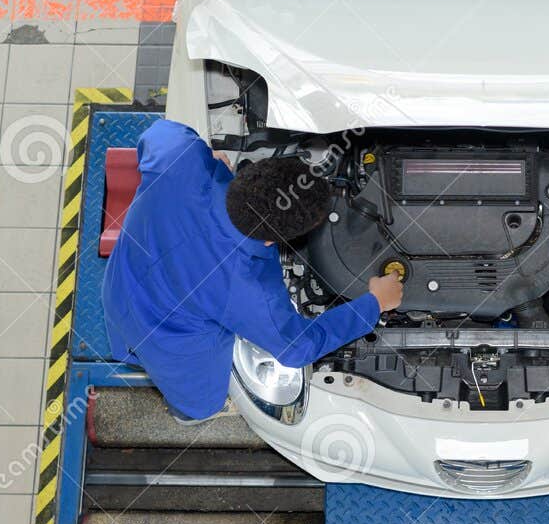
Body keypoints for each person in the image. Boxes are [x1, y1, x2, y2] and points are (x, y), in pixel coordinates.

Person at [102, 119, 403, 423]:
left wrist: (206, 159)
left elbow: (157, 133)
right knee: (199, 405)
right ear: (275, 240)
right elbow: (298, 348)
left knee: (126, 329)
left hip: (121, 282)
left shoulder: (180, 156)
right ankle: (187, 414)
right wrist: (374, 303)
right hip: (168, 336)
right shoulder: (248, 288)